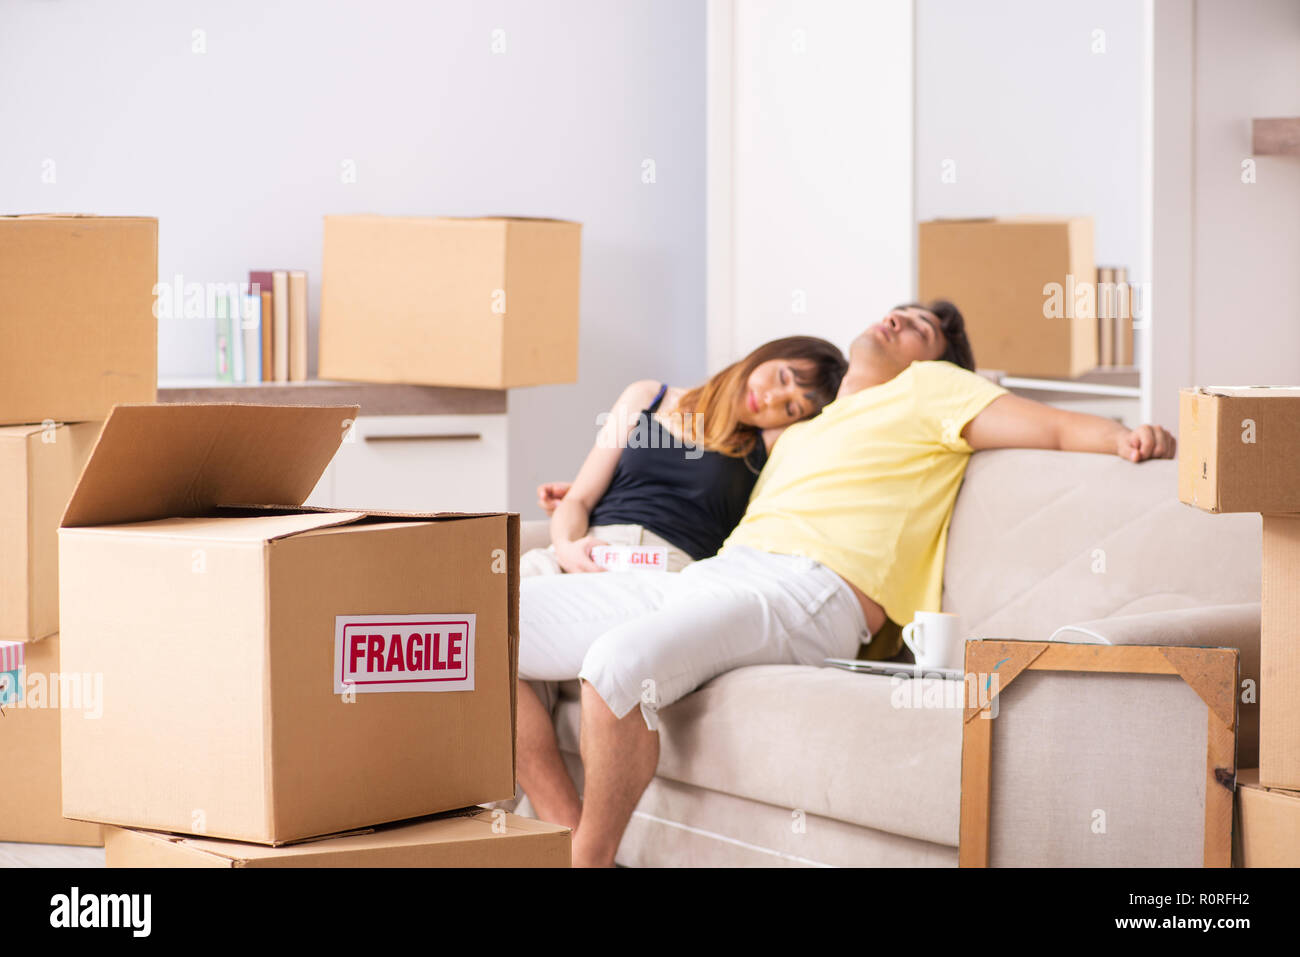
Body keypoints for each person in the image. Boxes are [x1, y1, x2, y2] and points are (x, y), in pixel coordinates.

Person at [515, 300, 1176, 867]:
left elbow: (1055, 426)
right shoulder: (800, 430)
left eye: (921, 328)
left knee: (613, 667)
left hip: (811, 591)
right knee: (489, 627)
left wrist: (1125, 435)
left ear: (935, 362)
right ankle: (565, 834)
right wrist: (576, 504)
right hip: (719, 573)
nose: (899, 319)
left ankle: (585, 860)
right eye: (901, 310)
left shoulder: (934, 393)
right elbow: (700, 443)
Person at [520, 336, 849, 577]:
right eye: (783, 377)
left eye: (791, 407)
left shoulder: (769, 443)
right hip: (590, 546)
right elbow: (578, 499)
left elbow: (847, 418)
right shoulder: (648, 396)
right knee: (488, 608)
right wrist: (566, 547)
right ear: (766, 355)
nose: (771, 398)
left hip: (665, 569)